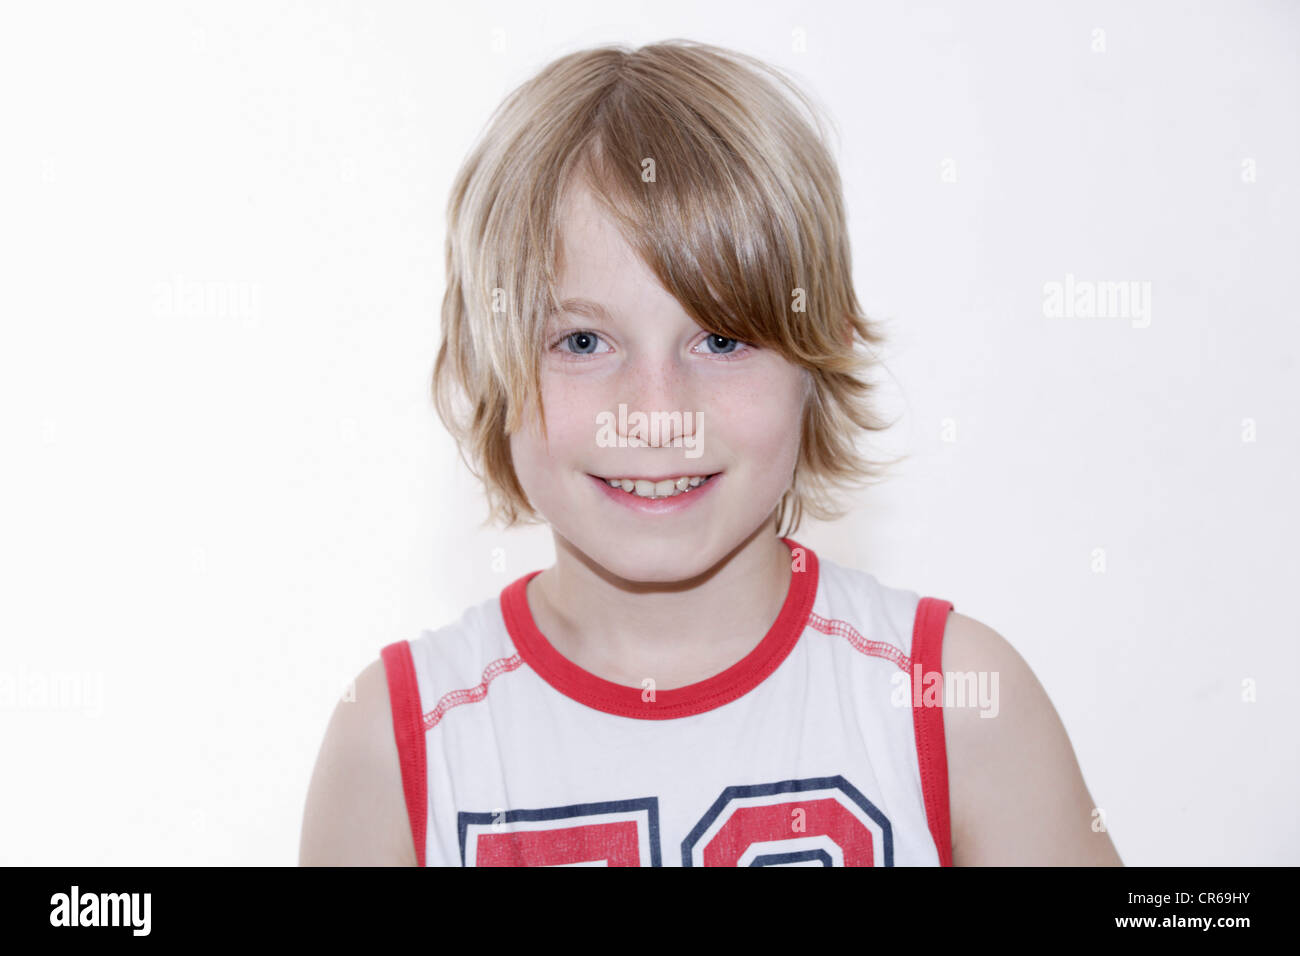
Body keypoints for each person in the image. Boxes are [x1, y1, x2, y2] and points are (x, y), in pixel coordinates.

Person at [299, 38, 1122, 867]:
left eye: (723, 339)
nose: (656, 417)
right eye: (582, 341)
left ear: (818, 356)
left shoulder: (954, 704)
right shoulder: (396, 744)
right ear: (485, 363)